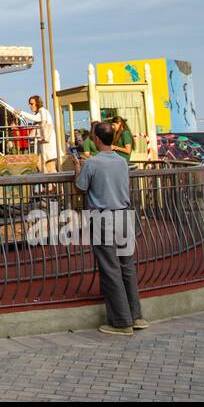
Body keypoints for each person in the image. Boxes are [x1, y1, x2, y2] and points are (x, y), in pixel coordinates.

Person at [74, 120, 146, 336]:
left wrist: (77, 167)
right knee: (127, 266)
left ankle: (121, 321)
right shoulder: (121, 162)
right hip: (124, 215)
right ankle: (136, 315)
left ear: (96, 139)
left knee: (110, 269)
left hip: (103, 218)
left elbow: (81, 187)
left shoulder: (92, 163)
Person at [12, 95, 57, 173]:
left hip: (48, 144)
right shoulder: (40, 112)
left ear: (37, 103)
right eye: (29, 104)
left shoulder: (42, 111)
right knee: (44, 165)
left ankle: (51, 184)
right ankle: (50, 184)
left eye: (31, 104)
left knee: (47, 165)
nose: (30, 106)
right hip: (45, 144)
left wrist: (21, 112)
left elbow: (37, 118)